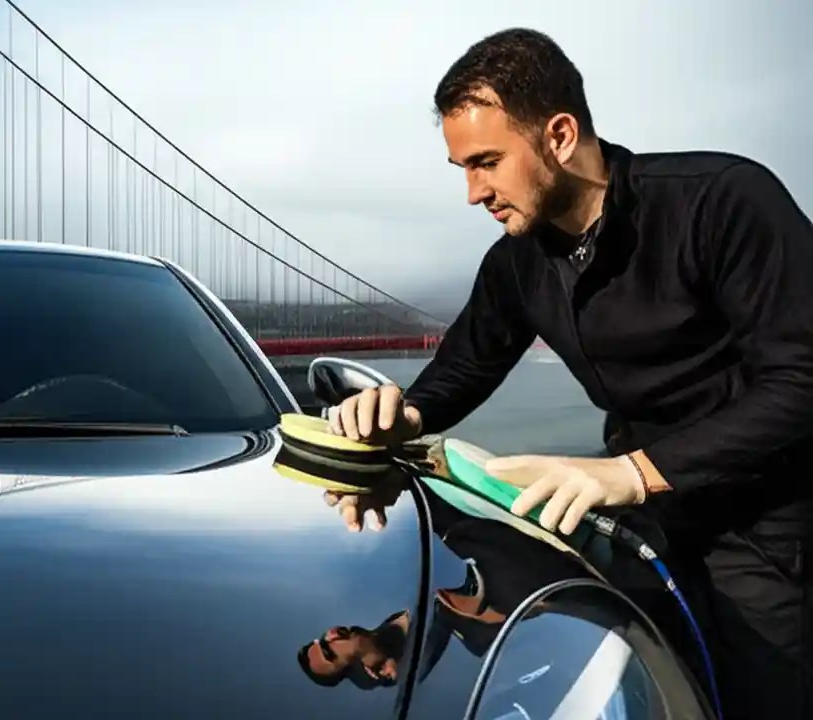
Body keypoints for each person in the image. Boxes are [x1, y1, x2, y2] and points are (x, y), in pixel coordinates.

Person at [326, 27, 813, 719]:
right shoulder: (516, 260)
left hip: (767, 527)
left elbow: (802, 382)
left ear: (558, 135)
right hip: (645, 521)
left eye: (487, 162)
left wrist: (631, 471)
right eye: (462, 167)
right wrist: (405, 414)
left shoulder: (722, 200)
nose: (472, 193)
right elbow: (466, 364)